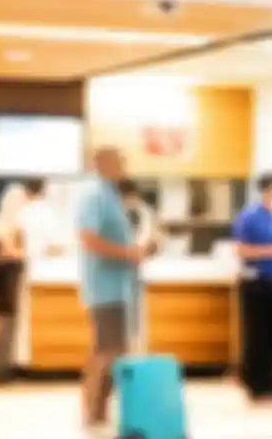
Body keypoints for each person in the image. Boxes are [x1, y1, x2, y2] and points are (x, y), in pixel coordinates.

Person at [76, 147, 148, 437]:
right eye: (119, 161)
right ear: (101, 163)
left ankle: (98, 410)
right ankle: (93, 412)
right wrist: (128, 252)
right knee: (109, 350)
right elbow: (88, 238)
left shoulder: (108, 193)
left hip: (118, 286)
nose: (123, 167)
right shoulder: (94, 194)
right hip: (105, 288)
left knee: (110, 349)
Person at [232, 172, 272, 405]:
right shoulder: (249, 217)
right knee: (260, 337)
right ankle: (259, 388)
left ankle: (270, 384)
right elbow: (242, 251)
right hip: (255, 283)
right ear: (264, 190)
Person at [0, 178, 48, 383]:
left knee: (6, 319)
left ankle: (1, 368)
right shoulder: (17, 204)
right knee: (8, 319)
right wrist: (24, 253)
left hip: (5, 271)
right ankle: (0, 370)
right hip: (10, 271)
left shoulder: (11, 205)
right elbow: (9, 245)